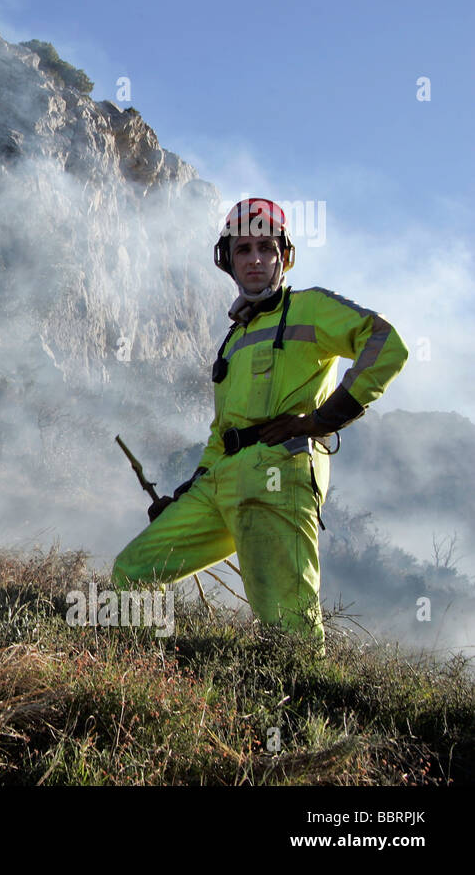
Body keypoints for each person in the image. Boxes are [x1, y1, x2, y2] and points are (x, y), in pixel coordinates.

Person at [110, 198, 408, 651]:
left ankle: (304, 713)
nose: (255, 259)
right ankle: (143, 675)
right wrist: (186, 492)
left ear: (282, 256)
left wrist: (322, 419)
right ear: (227, 260)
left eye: (265, 247)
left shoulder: (309, 308)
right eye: (243, 249)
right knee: (132, 571)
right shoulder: (233, 340)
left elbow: (386, 344)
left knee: (290, 631)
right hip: (221, 483)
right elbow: (221, 433)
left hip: (279, 481)